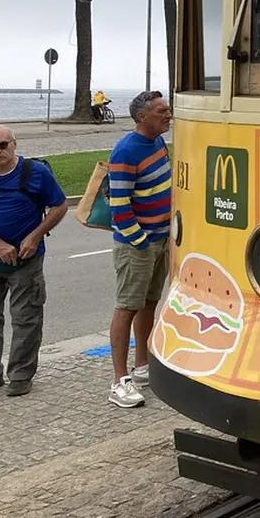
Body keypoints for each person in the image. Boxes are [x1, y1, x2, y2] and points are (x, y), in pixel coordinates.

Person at [0, 126, 67, 396]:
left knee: (26, 319)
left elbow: (59, 206)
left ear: (14, 144)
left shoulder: (36, 173)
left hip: (26, 261)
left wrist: (35, 237)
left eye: (2, 144)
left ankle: (20, 375)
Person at [107, 91, 172, 408]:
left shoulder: (158, 142)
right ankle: (119, 381)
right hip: (138, 243)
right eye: (161, 110)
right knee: (127, 306)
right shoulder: (125, 151)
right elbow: (119, 206)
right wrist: (142, 241)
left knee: (149, 302)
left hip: (161, 237)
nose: (168, 113)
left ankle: (143, 365)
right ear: (142, 117)